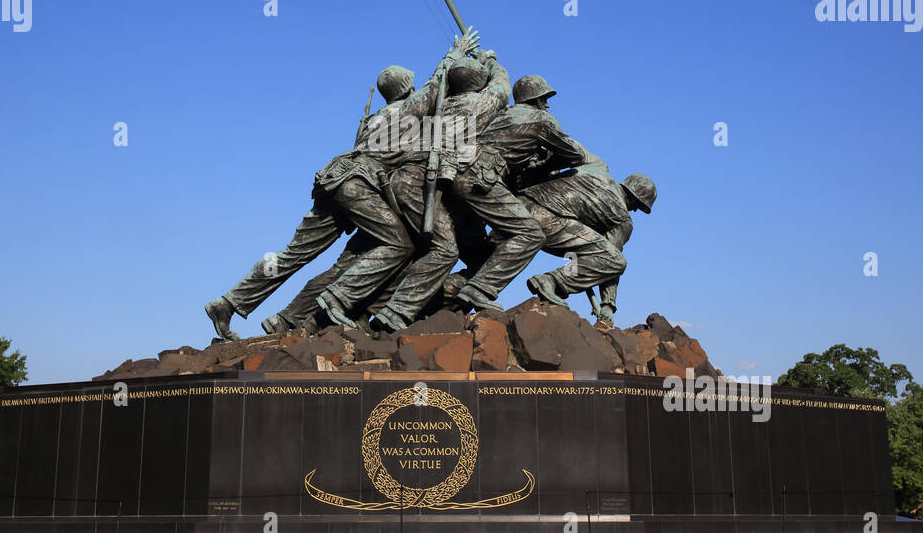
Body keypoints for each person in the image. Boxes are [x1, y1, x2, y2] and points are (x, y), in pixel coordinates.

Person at [204, 34, 477, 341]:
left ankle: (230, 302)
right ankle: (338, 299)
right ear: (407, 89)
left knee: (295, 254)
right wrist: (454, 55)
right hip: (357, 187)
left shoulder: (375, 118)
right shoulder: (402, 112)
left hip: (334, 180)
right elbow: (434, 89)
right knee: (401, 245)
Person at [444, 73, 586, 311]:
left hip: (456, 173)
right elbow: (576, 155)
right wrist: (542, 164)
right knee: (531, 235)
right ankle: (478, 290)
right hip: (481, 177)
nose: (547, 105)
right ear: (536, 99)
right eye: (544, 99)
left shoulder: (502, 115)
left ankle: (443, 298)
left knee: (479, 250)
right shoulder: (541, 120)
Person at [517, 147, 656, 326]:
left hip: (518, 205)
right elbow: (609, 260)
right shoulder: (622, 217)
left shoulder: (595, 168)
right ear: (634, 200)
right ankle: (551, 281)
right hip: (548, 221)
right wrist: (608, 304)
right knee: (615, 260)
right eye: (638, 206)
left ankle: (472, 279)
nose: (635, 210)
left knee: (580, 252)